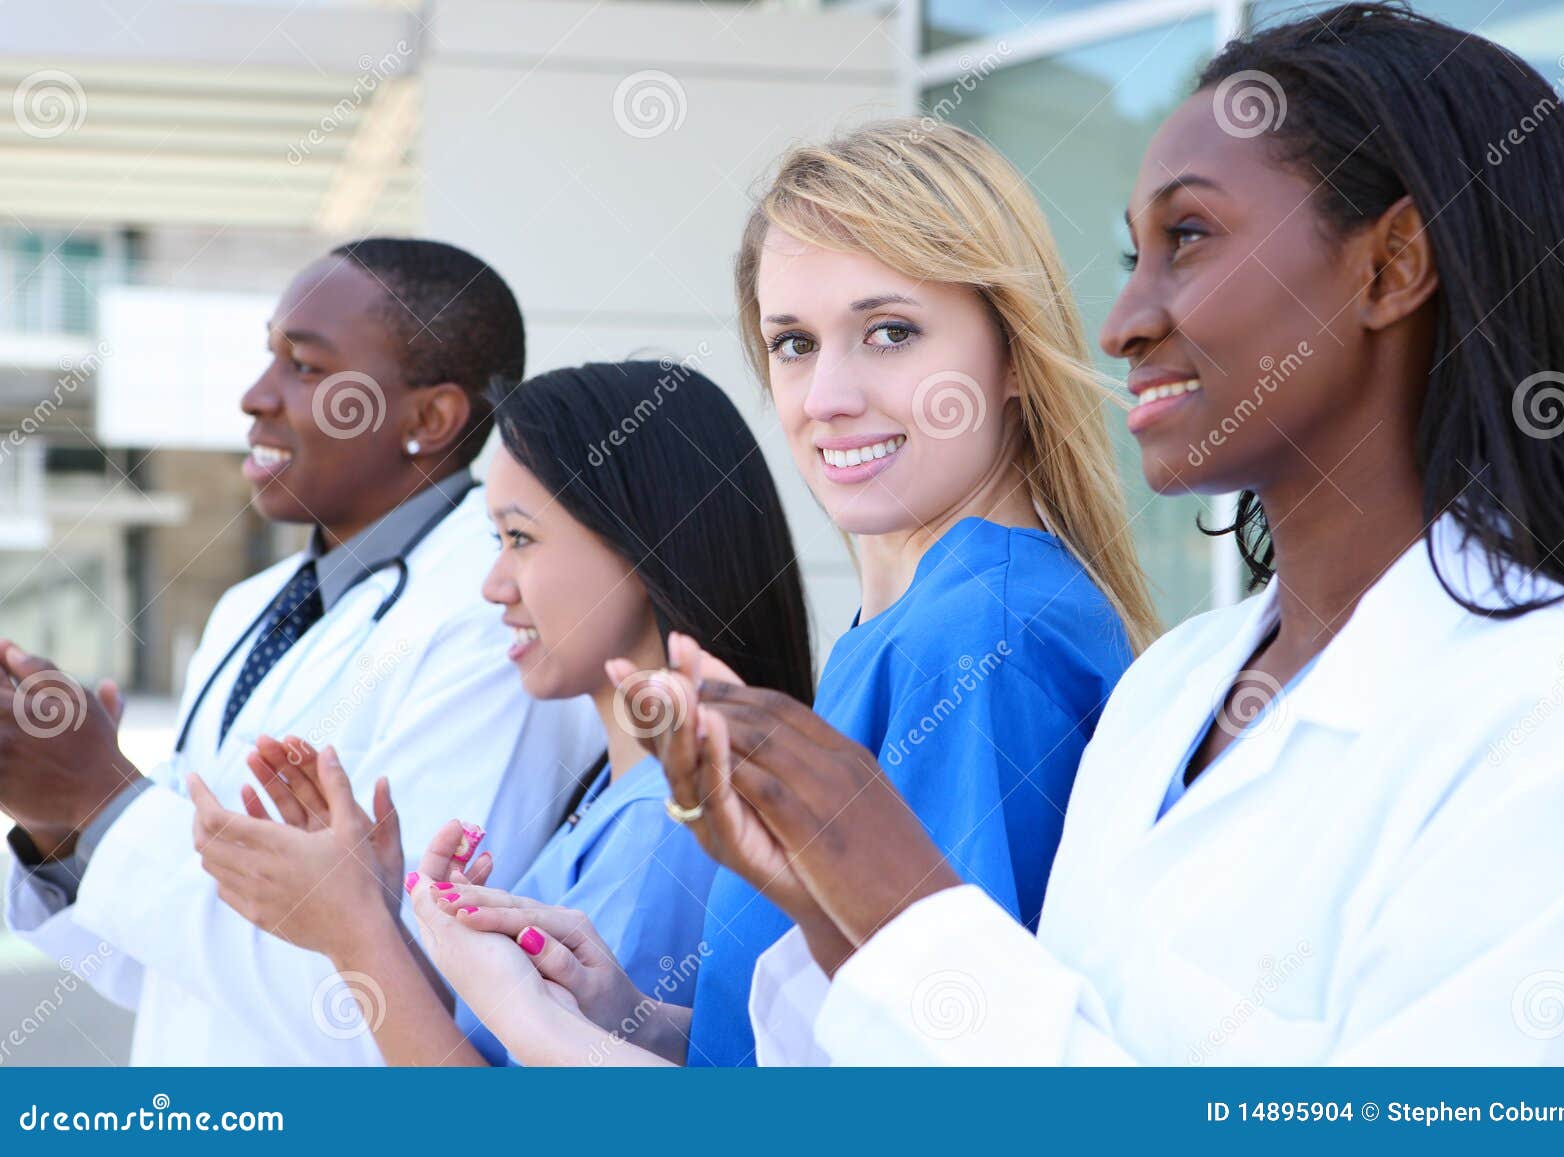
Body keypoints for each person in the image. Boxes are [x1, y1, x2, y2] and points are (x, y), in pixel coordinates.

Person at [625, 3, 1564, 1065]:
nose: (1121, 320)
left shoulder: (1554, 718)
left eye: (1188, 238)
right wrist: (825, 896)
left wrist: (897, 897)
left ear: (1389, 264)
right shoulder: (1167, 693)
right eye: (1132, 253)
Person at [402, 119, 1161, 1066]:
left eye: (890, 332)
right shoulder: (908, 624)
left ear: (1011, 353)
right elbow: (822, 1046)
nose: (827, 394)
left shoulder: (977, 632)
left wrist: (522, 1017)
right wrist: (623, 1010)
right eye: (794, 343)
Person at [0, 239, 601, 1065]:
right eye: (268, 356)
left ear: (429, 420)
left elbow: (393, 991)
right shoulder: (250, 607)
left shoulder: (498, 613)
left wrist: (101, 793)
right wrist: (56, 812)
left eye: (306, 367)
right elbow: (163, 965)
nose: (255, 397)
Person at [186, 360, 814, 1067]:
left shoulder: (676, 822)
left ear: (643, 546)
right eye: (496, 541)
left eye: (520, 538)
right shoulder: (620, 792)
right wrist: (373, 911)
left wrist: (354, 931)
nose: (493, 586)